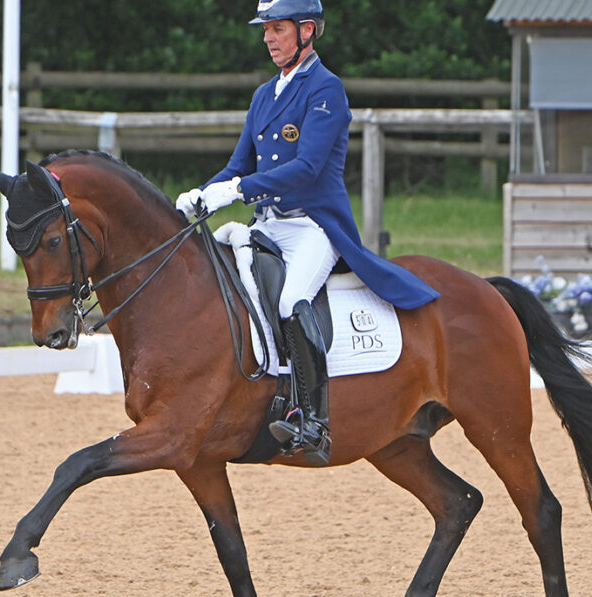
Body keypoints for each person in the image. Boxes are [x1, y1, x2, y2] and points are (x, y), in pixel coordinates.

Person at [175, 0, 439, 467]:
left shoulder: (326, 89)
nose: (268, 38)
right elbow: (240, 165)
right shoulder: (264, 96)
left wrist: (237, 189)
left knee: (289, 300)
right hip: (269, 226)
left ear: (307, 31)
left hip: (313, 225)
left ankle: (312, 419)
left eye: (277, 29)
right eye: (266, 30)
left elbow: (307, 167)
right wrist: (203, 192)